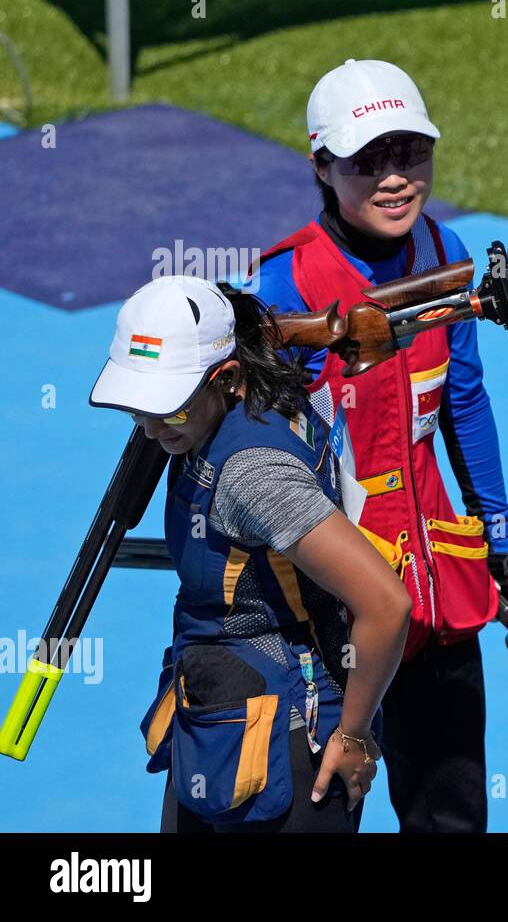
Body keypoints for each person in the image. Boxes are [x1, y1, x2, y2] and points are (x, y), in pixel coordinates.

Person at [251, 58, 508, 832]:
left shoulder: (445, 248)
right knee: (324, 815)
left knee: (452, 818)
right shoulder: (284, 283)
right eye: (369, 160)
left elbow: (464, 400)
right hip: (328, 608)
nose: (396, 178)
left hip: (438, 592)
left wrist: (499, 534)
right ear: (322, 166)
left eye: (411, 153)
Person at [89, 276, 410, 832]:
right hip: (220, 717)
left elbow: (386, 604)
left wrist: (355, 736)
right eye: (137, 405)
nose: (147, 424)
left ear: (227, 377)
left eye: (168, 406)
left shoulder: (254, 474)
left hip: (286, 747)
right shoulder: (233, 403)